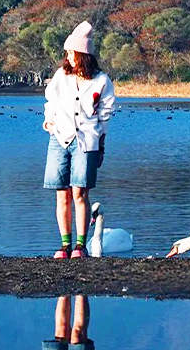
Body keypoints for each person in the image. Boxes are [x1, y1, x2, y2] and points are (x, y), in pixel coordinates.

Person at [42, 21, 116, 259]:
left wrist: (101, 145)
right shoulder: (61, 77)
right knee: (61, 193)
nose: (69, 57)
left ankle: (80, 246)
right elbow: (50, 102)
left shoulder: (102, 81)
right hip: (59, 139)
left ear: (83, 55)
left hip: (87, 141)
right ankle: (64, 245)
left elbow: (105, 114)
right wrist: (49, 122)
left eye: (73, 53)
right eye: (68, 53)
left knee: (79, 193)